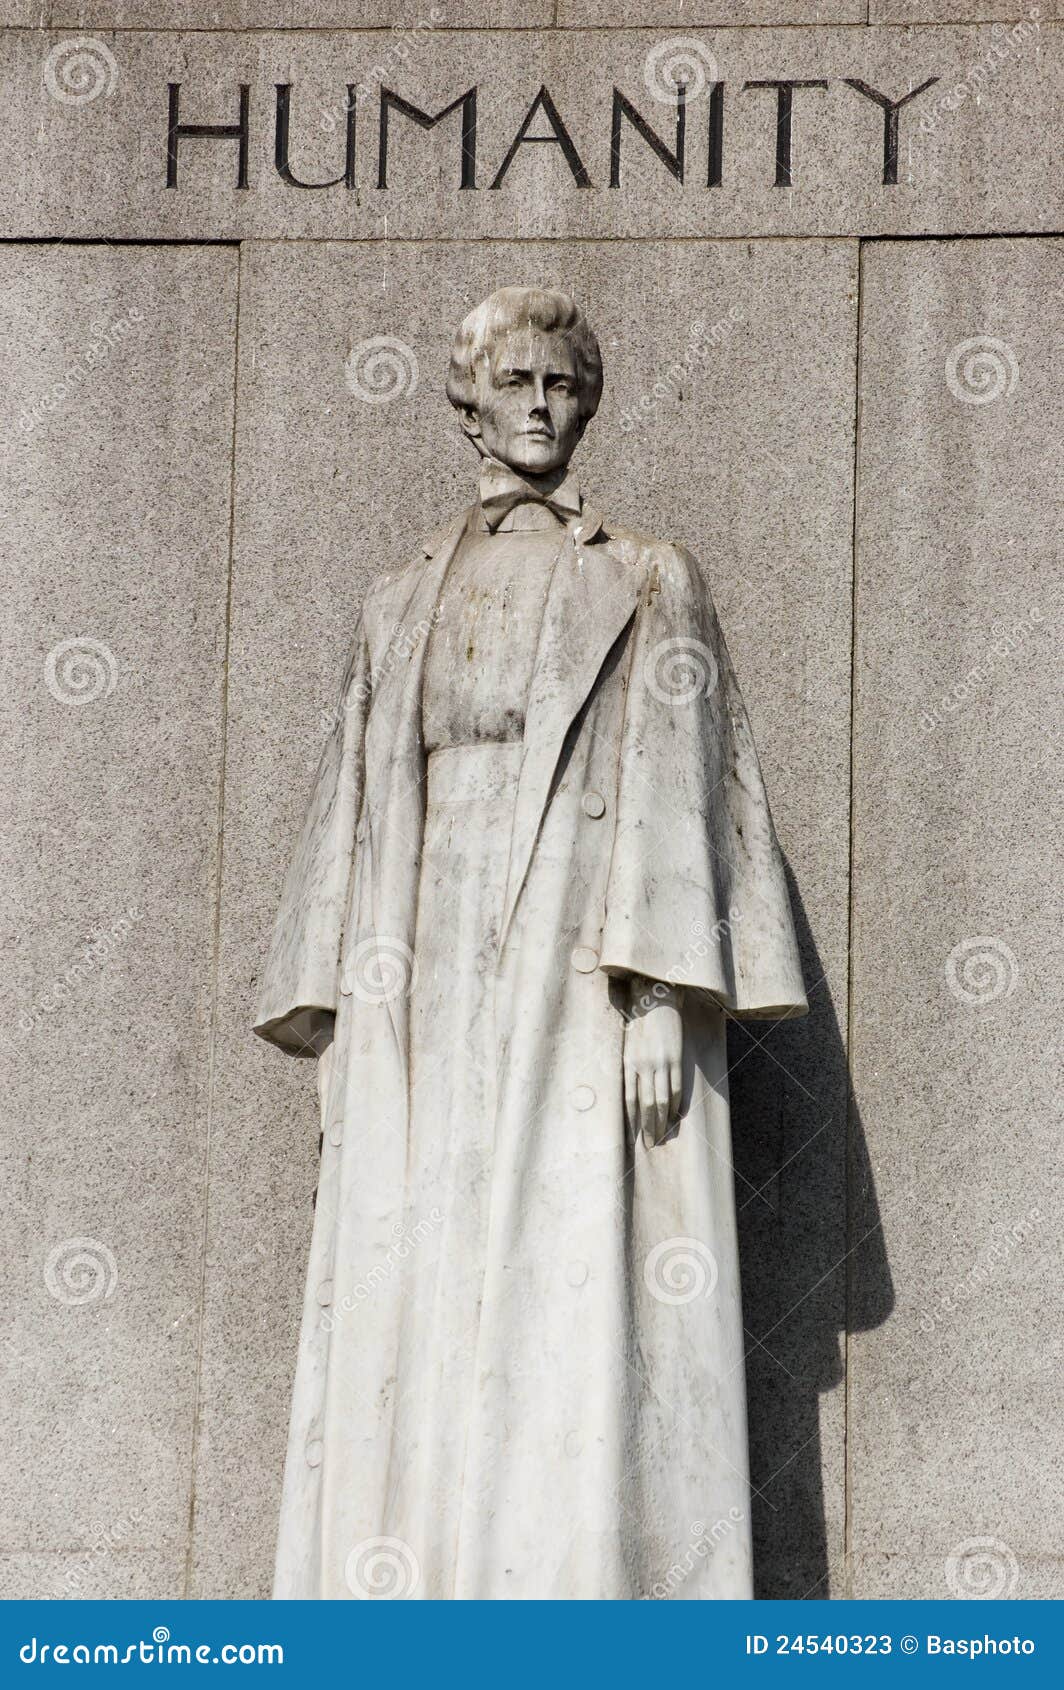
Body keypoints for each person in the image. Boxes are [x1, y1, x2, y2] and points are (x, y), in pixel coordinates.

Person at [255, 286, 806, 1599]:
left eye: (563, 385)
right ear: (470, 404)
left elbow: (684, 779)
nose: (543, 407)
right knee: (424, 1270)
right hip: (422, 951)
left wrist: (664, 991)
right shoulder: (398, 598)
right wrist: (336, 1011)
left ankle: (567, 1586)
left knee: (570, 1261)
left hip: (579, 948)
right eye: (517, 383)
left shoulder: (649, 575)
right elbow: (353, 805)